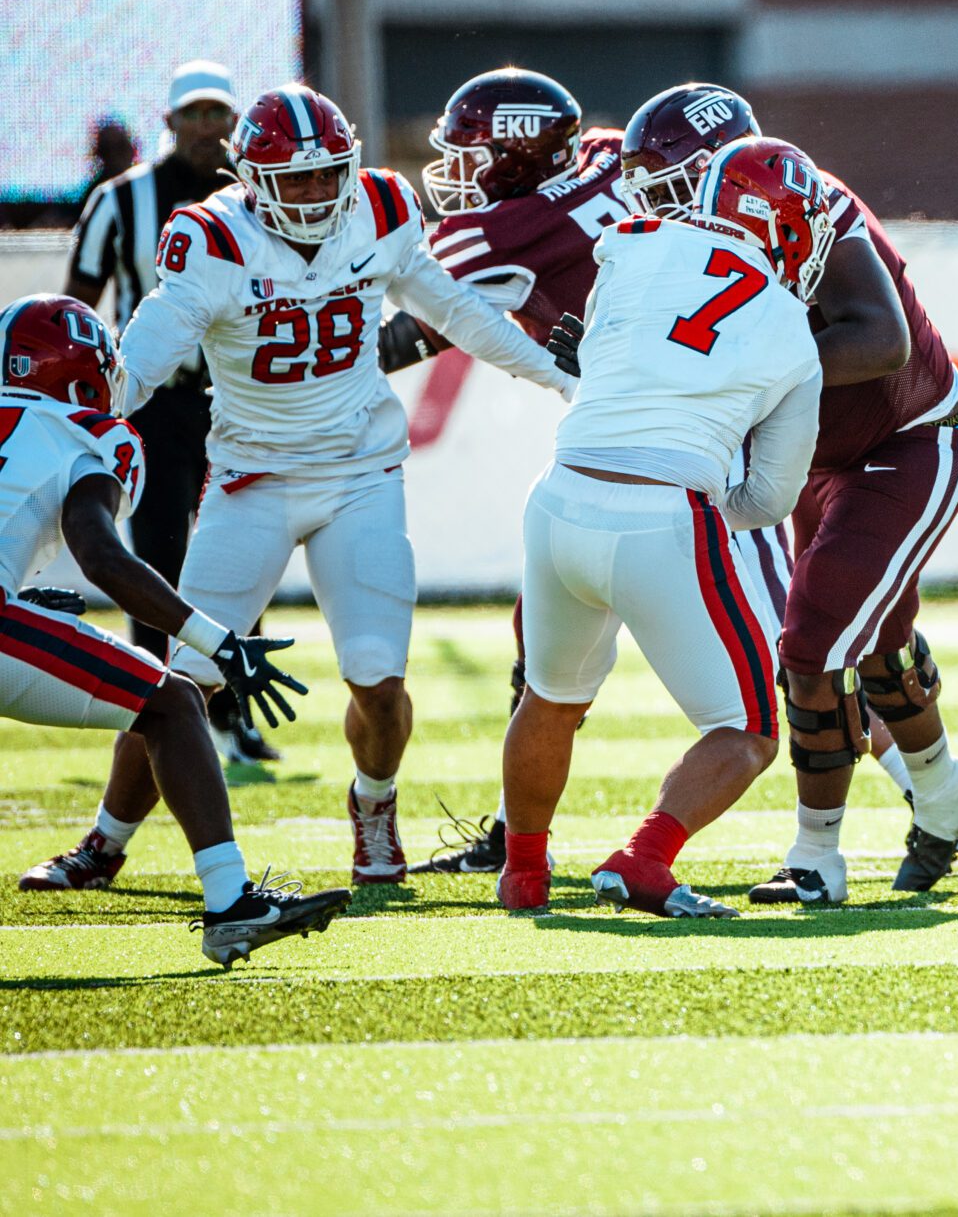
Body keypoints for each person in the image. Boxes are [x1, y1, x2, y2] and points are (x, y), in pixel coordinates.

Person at [69, 85, 576, 887]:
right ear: (250, 175)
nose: (313, 192)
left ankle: (373, 804)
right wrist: (88, 416)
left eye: (326, 174)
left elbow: (459, 310)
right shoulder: (214, 237)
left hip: (359, 477)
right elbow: (149, 350)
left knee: (378, 681)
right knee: (180, 680)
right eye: (294, 179)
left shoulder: (377, 205)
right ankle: (103, 841)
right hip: (251, 482)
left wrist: (554, 375)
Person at [617, 84, 958, 902]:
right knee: (876, 634)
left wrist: (752, 362)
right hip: (819, 455)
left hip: (913, 438)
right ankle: (945, 787)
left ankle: (816, 854)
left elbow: (883, 339)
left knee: (814, 642)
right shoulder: (684, 244)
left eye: (674, 189)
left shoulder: (808, 205)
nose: (667, 212)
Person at [497, 137, 825, 918]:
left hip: (558, 494)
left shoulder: (633, 247)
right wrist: (706, 508)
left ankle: (524, 873)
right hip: (664, 512)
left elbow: (607, 349)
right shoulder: (789, 325)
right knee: (746, 730)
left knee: (549, 697)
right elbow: (772, 498)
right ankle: (645, 858)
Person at [0, 296, 346, 965]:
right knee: (174, 700)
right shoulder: (85, 432)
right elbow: (103, 556)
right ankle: (229, 904)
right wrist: (218, 641)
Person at [381, 67, 647, 876]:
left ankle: (915, 785)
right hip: (649, 428)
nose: (455, 171)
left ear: (517, 157)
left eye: (470, 153)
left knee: (793, 644)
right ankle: (512, 834)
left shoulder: (508, 226)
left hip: (661, 446)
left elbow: (425, 324)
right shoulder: (605, 153)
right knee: (545, 640)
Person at [62, 61, 273, 767]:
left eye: (219, 113)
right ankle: (148, 700)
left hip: (239, 396)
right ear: (170, 120)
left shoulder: (259, 200)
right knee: (155, 550)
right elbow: (79, 304)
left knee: (245, 548)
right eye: (195, 113)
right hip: (153, 401)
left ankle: (233, 714)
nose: (208, 127)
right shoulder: (121, 202)